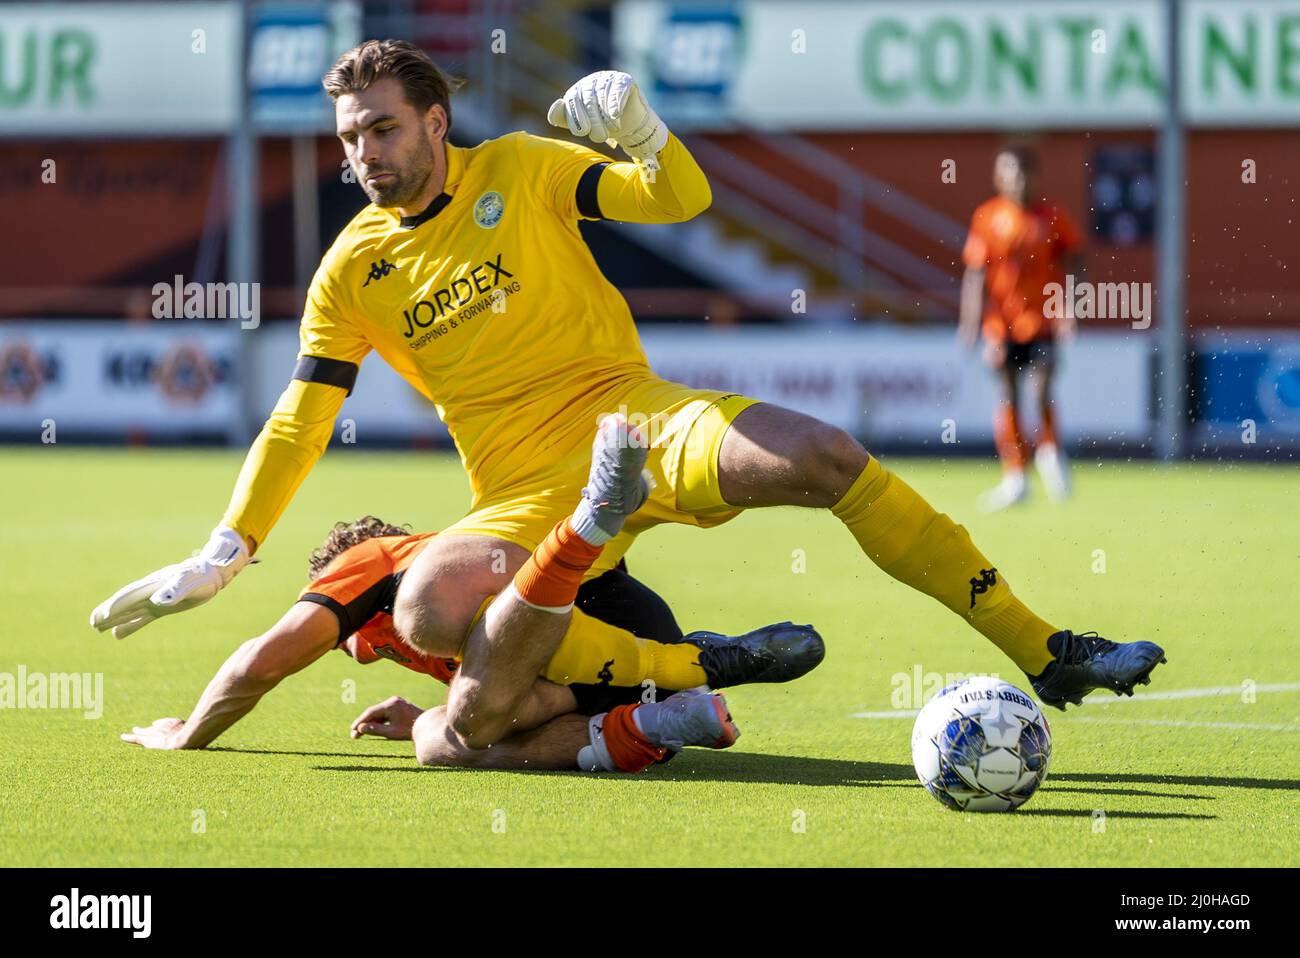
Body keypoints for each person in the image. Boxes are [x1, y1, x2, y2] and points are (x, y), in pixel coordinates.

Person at [93, 42, 1164, 747]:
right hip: (521, 490)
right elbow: (299, 418)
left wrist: (645, 137)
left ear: (432, 123)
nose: (361, 153)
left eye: (379, 128)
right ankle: (690, 675)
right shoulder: (350, 269)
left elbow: (676, 198)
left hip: (638, 419)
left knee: (828, 456)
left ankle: (1045, 651)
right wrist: (227, 548)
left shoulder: (521, 165)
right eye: (346, 139)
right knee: (424, 605)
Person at [121, 416, 825, 773]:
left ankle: (670, 675)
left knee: (447, 739)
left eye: (348, 639)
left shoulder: (378, 563)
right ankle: (668, 712)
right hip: (622, 650)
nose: (359, 655)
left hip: (578, 625)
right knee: (483, 712)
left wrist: (187, 734)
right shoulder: (443, 571)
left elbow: (262, 663)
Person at [958, 146, 1084, 511]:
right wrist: (969, 324)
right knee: (1008, 393)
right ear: (999, 177)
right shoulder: (987, 217)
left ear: (1034, 176)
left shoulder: (1052, 217)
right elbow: (975, 274)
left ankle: (1049, 453)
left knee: (1042, 387)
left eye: (1023, 172)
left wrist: (1071, 308)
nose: (1017, 179)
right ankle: (1015, 476)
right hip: (1001, 325)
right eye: (1010, 172)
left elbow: (1075, 262)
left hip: (1042, 320)